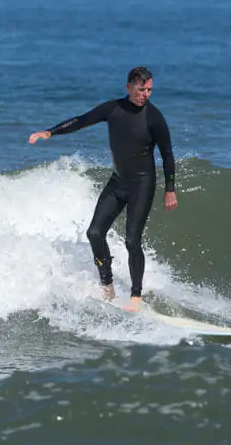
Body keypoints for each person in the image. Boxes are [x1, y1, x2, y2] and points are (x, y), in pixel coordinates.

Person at [28, 66, 178, 311]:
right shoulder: (113, 109)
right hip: (118, 182)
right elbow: (82, 120)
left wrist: (169, 189)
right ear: (129, 87)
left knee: (132, 241)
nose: (145, 95)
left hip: (142, 185)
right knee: (95, 233)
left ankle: (136, 297)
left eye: (149, 90)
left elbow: (168, 154)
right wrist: (50, 132)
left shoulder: (154, 118)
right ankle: (107, 286)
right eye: (141, 89)